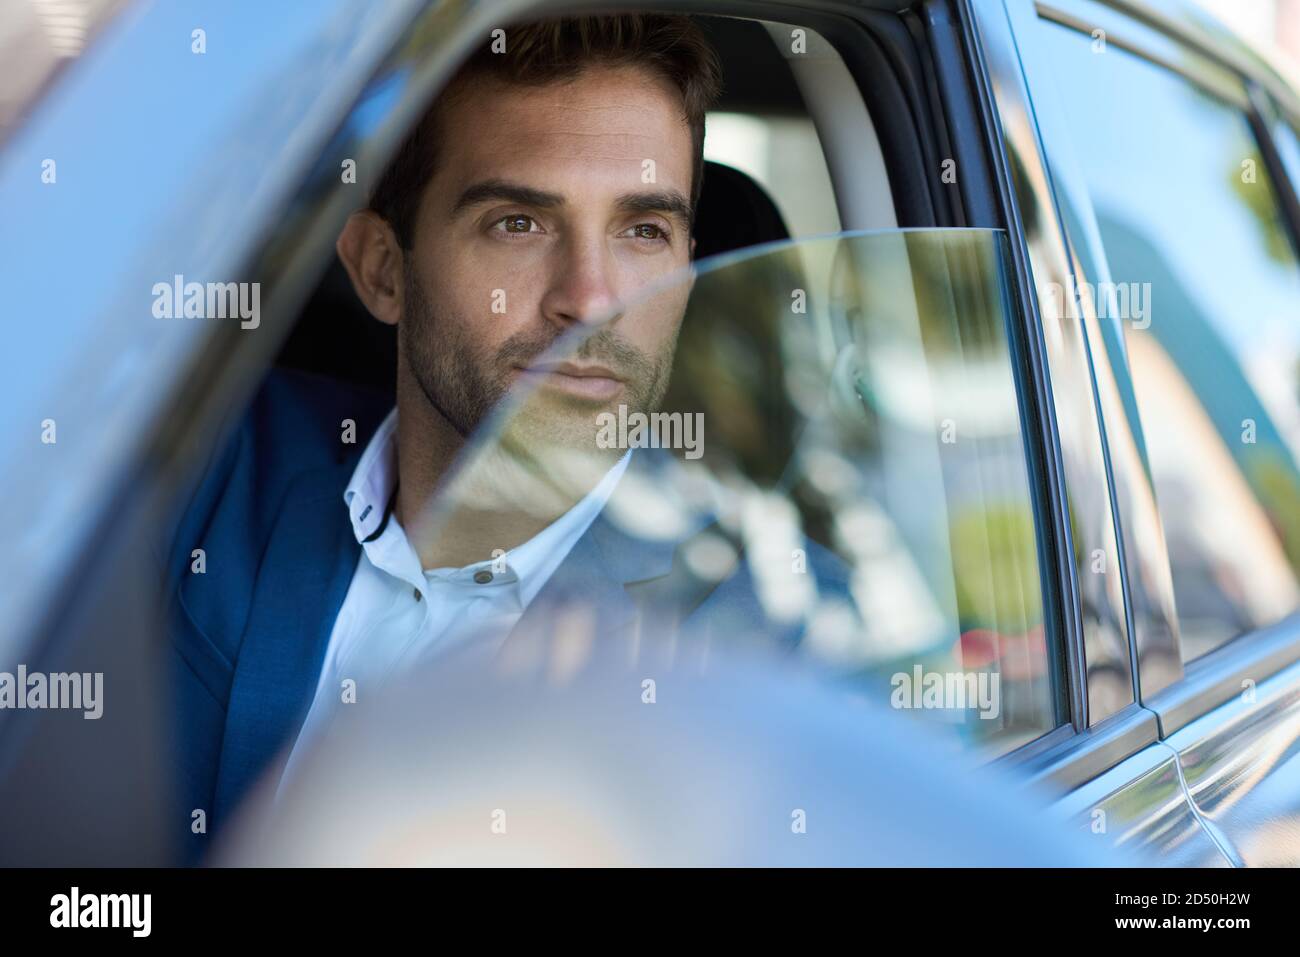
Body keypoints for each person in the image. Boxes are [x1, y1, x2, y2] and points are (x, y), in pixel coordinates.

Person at [164, 14, 847, 864]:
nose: (591, 301)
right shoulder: (201, 465)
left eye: (643, 231)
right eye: (518, 223)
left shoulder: (781, 637)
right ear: (382, 268)